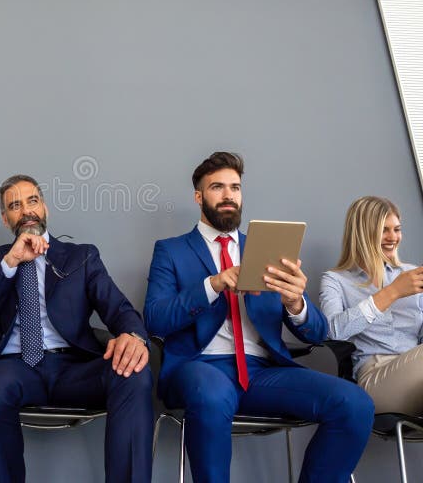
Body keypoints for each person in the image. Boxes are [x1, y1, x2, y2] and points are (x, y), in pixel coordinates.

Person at [143, 151, 373, 483]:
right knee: (212, 393)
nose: (228, 195)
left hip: (261, 373)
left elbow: (317, 333)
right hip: (200, 368)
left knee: (354, 403)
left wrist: (295, 303)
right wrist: (213, 284)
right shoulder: (171, 250)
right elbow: (155, 319)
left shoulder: (268, 250)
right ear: (198, 197)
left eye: (235, 188)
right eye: (217, 187)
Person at [0, 174, 153, 483]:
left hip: (74, 368)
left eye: (32, 201)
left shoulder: (81, 256)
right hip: (15, 369)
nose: (26, 210)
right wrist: (11, 261)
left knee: (133, 372)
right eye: (15, 205)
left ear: (45, 209)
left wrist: (133, 336)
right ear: (5, 219)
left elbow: (118, 308)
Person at [320, 195, 423, 414]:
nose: (393, 237)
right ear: (363, 233)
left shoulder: (412, 273)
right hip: (376, 376)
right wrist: (393, 292)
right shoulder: (336, 280)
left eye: (397, 229)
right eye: (384, 230)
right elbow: (332, 332)